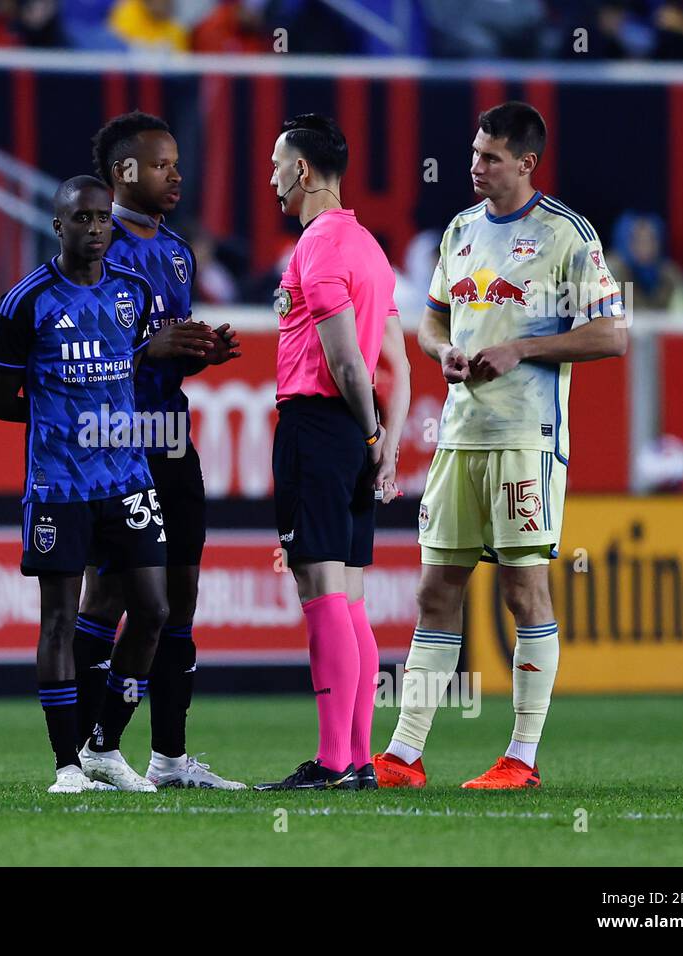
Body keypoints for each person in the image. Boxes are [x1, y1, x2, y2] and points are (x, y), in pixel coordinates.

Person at [374, 101, 627, 790]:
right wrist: (444, 352)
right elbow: (427, 322)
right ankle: (403, 755)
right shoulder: (458, 231)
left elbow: (612, 335)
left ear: (525, 163)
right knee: (436, 588)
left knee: (523, 590)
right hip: (460, 435)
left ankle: (520, 758)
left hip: (526, 438)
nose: (474, 167)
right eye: (474, 153)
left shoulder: (566, 235)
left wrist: (525, 348)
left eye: (489, 157)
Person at [0, 176, 200, 793]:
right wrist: (67, 416)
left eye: (104, 218)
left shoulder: (131, 294)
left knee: (154, 610)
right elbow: (4, 403)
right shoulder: (25, 302)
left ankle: (104, 746)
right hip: (59, 485)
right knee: (59, 619)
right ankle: (65, 766)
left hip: (128, 479)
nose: (97, 229)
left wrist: (163, 355)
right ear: (59, 226)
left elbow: (125, 372)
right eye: (82, 219)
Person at [75, 111, 244, 789]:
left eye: (177, 162)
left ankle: (170, 759)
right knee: (112, 595)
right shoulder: (94, 244)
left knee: (180, 596)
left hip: (170, 438)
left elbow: (161, 354)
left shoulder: (177, 251)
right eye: (162, 164)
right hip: (115, 443)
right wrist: (152, 348)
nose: (177, 174)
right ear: (124, 172)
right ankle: (81, 750)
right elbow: (77, 353)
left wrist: (200, 353)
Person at [252, 114, 400, 792]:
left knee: (319, 590)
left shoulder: (317, 248)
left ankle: (334, 760)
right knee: (351, 598)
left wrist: (367, 434)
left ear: (304, 171)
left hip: (319, 425)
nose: (273, 177)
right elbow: (393, 363)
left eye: (279, 163)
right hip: (354, 433)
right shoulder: (370, 248)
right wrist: (386, 444)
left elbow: (346, 361)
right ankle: (360, 759)